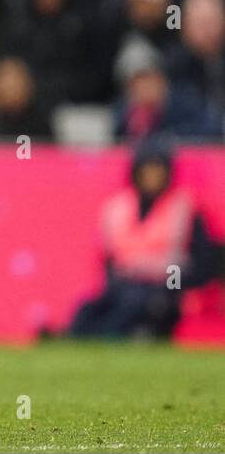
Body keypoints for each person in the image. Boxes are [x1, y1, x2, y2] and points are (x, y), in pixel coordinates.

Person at [61, 136, 222, 339]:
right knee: (88, 309)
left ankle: (108, 338)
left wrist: (172, 286)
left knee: (135, 305)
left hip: (164, 288)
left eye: (157, 170)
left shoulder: (183, 208)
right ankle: (71, 336)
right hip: (126, 285)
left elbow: (202, 263)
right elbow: (110, 260)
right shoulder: (120, 206)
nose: (152, 177)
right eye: (147, 170)